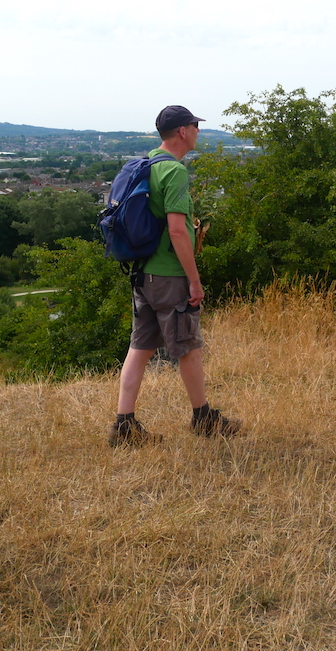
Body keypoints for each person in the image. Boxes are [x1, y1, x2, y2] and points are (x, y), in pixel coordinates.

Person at [109, 105, 240, 447]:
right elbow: (178, 232)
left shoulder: (147, 164)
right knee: (189, 349)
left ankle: (124, 425)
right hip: (168, 276)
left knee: (139, 349)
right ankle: (204, 418)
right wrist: (194, 280)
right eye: (195, 125)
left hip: (142, 274)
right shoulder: (176, 173)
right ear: (183, 131)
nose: (198, 130)